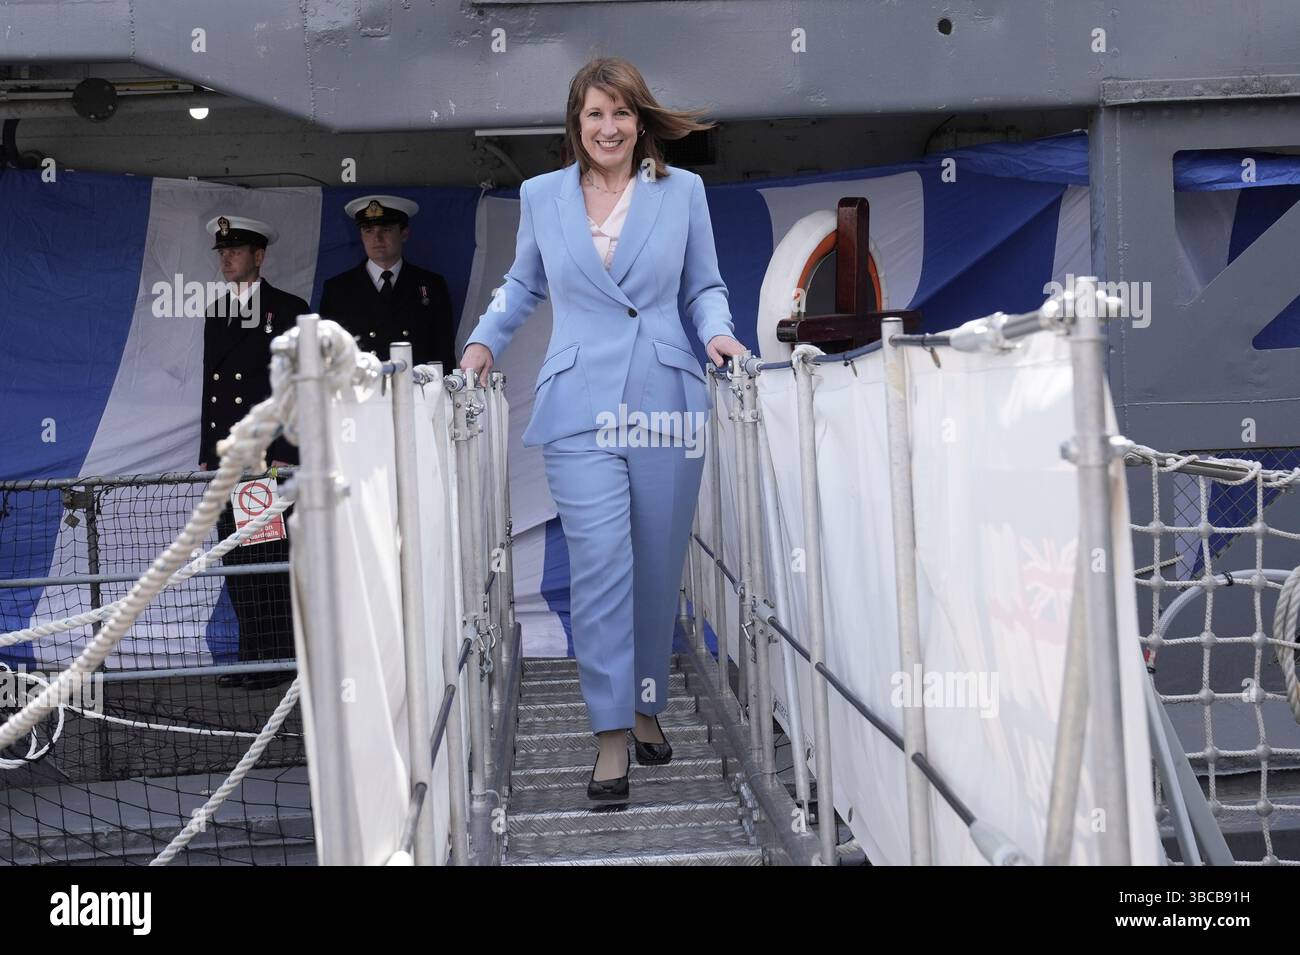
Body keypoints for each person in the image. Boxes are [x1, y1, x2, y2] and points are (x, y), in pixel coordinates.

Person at [459, 57, 746, 803]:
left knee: (655, 567)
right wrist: (485, 341)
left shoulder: (682, 192)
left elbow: (704, 285)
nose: (608, 128)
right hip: (579, 402)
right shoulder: (542, 195)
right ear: (576, 123)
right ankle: (611, 734)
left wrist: (717, 333)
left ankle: (646, 703)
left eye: (621, 114)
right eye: (594, 115)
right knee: (599, 565)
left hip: (665, 396)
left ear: (640, 120)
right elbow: (524, 283)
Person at [199, 214, 305, 691]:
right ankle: (250, 655)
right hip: (232, 458)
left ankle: (278, 658)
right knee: (236, 559)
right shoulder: (216, 311)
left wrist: (285, 448)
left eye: (235, 251)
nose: (226, 259)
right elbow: (212, 387)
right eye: (222, 252)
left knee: (270, 557)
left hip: (268, 456)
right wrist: (209, 450)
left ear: (258, 257)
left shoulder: (287, 310)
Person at [319, 195, 458, 370]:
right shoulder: (338, 289)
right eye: (368, 231)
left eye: (386, 230)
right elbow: (328, 357)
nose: (377, 238)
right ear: (361, 236)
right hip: (361, 391)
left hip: (417, 391)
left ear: (404, 233)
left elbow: (443, 353)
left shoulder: (431, 285)